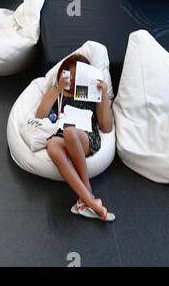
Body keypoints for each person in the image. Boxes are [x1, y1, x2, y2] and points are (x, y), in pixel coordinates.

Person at [36, 53, 115, 223]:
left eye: (75, 77)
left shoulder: (92, 95)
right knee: (53, 146)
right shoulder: (56, 92)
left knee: (70, 132)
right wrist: (58, 89)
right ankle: (89, 201)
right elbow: (40, 115)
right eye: (68, 76)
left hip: (85, 137)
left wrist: (102, 95)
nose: (71, 81)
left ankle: (87, 192)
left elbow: (106, 127)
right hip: (62, 134)